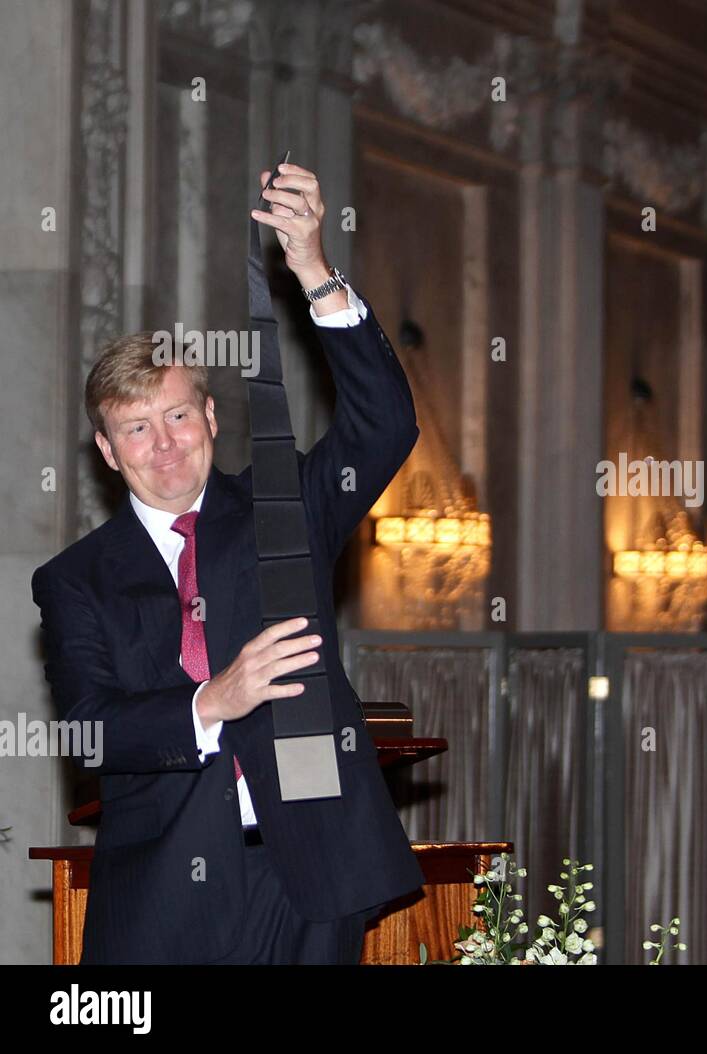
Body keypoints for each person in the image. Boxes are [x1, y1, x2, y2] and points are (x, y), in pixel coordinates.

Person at [31, 161, 425, 964]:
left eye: (178, 414)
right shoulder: (75, 580)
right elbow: (88, 730)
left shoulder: (288, 509)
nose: (165, 443)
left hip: (310, 876)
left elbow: (383, 427)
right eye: (137, 429)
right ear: (107, 451)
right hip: (163, 894)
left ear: (211, 415)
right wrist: (213, 701)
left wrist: (312, 269)